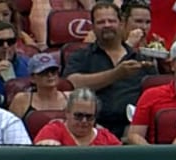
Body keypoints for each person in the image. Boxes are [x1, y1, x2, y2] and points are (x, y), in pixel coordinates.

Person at [63, 0, 150, 138]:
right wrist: (117, 73)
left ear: (121, 23)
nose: (107, 25)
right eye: (101, 22)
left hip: (134, 130)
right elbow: (73, 83)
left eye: (111, 21)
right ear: (93, 27)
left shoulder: (141, 57)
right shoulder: (81, 56)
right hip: (91, 129)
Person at [33, 85, 122, 144]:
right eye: (78, 116)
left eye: (89, 117)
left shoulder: (106, 138)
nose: (84, 121)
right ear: (67, 113)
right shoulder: (52, 131)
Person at [8, 51, 67, 117]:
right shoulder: (21, 100)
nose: (50, 75)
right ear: (32, 78)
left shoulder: (70, 98)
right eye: (44, 72)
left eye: (53, 71)